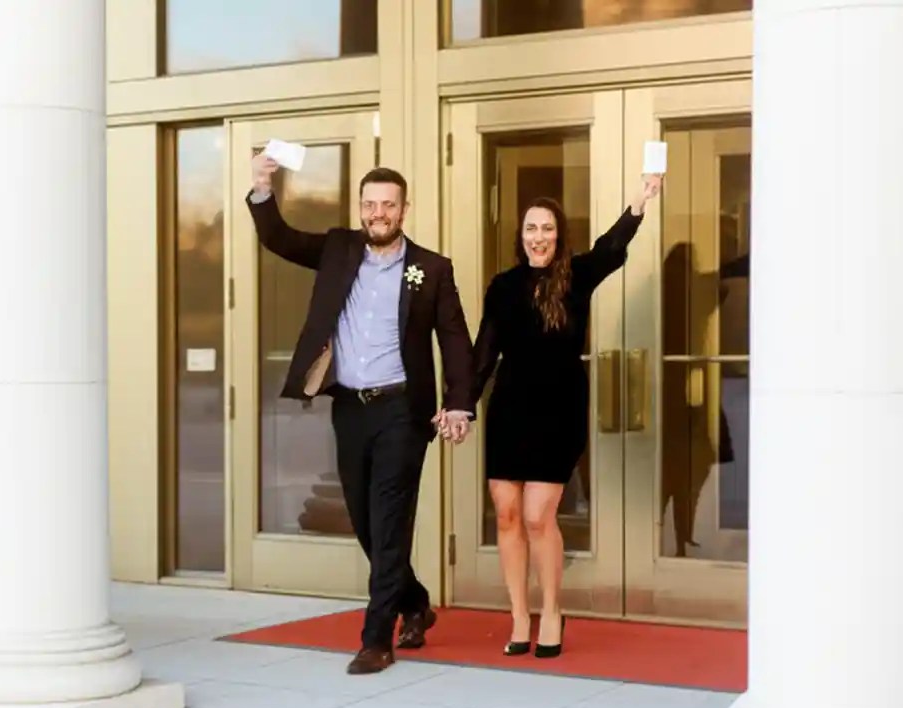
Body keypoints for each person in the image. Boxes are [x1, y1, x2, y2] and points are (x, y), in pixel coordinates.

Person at [246, 153, 476, 675]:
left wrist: (459, 401)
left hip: (402, 409)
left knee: (390, 518)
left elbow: (455, 337)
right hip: (349, 407)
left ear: (404, 209)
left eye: (388, 205)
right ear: (361, 208)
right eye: (370, 204)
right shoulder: (338, 249)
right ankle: (414, 601)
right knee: (366, 521)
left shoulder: (431, 269)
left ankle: (377, 638)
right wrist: (262, 185)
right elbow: (279, 238)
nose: (378, 213)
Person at [453, 174, 663, 658]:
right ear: (520, 235)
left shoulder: (576, 275)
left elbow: (611, 248)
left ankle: (551, 611)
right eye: (530, 228)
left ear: (558, 234)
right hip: (509, 407)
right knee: (506, 515)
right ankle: (519, 617)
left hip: (558, 408)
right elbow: (485, 351)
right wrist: (462, 403)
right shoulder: (503, 287)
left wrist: (638, 202)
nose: (538, 237)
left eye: (547, 228)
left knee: (536, 516)